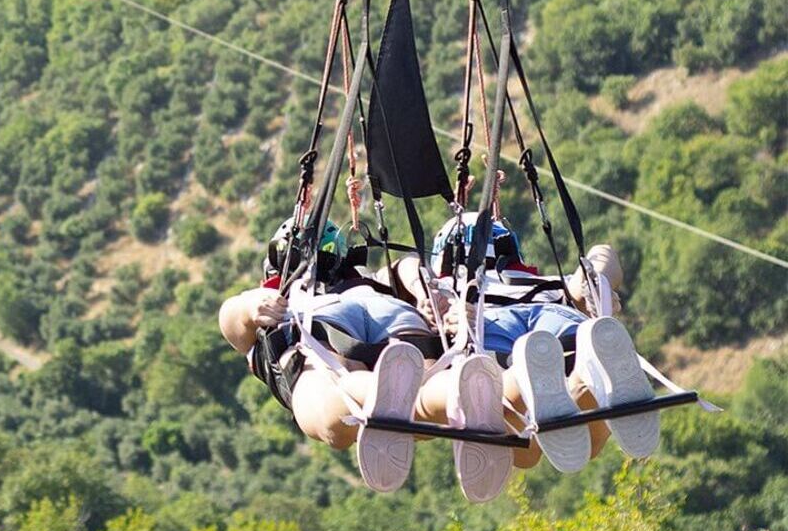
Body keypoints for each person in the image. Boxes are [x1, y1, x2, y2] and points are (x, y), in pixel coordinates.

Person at [219, 218, 518, 501]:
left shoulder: (277, 301)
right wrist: (422, 289)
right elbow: (408, 265)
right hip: (391, 311)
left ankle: (375, 392)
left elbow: (230, 318)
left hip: (320, 320)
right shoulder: (373, 281)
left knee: (330, 410)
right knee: (426, 381)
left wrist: (251, 304)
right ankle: (461, 395)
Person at [394, 212, 660, 474]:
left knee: (509, 422)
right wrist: (597, 282)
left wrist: (423, 291)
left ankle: (523, 379)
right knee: (588, 443)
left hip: (487, 322)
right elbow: (604, 253)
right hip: (556, 316)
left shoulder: (446, 287)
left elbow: (402, 266)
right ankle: (586, 373)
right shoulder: (544, 282)